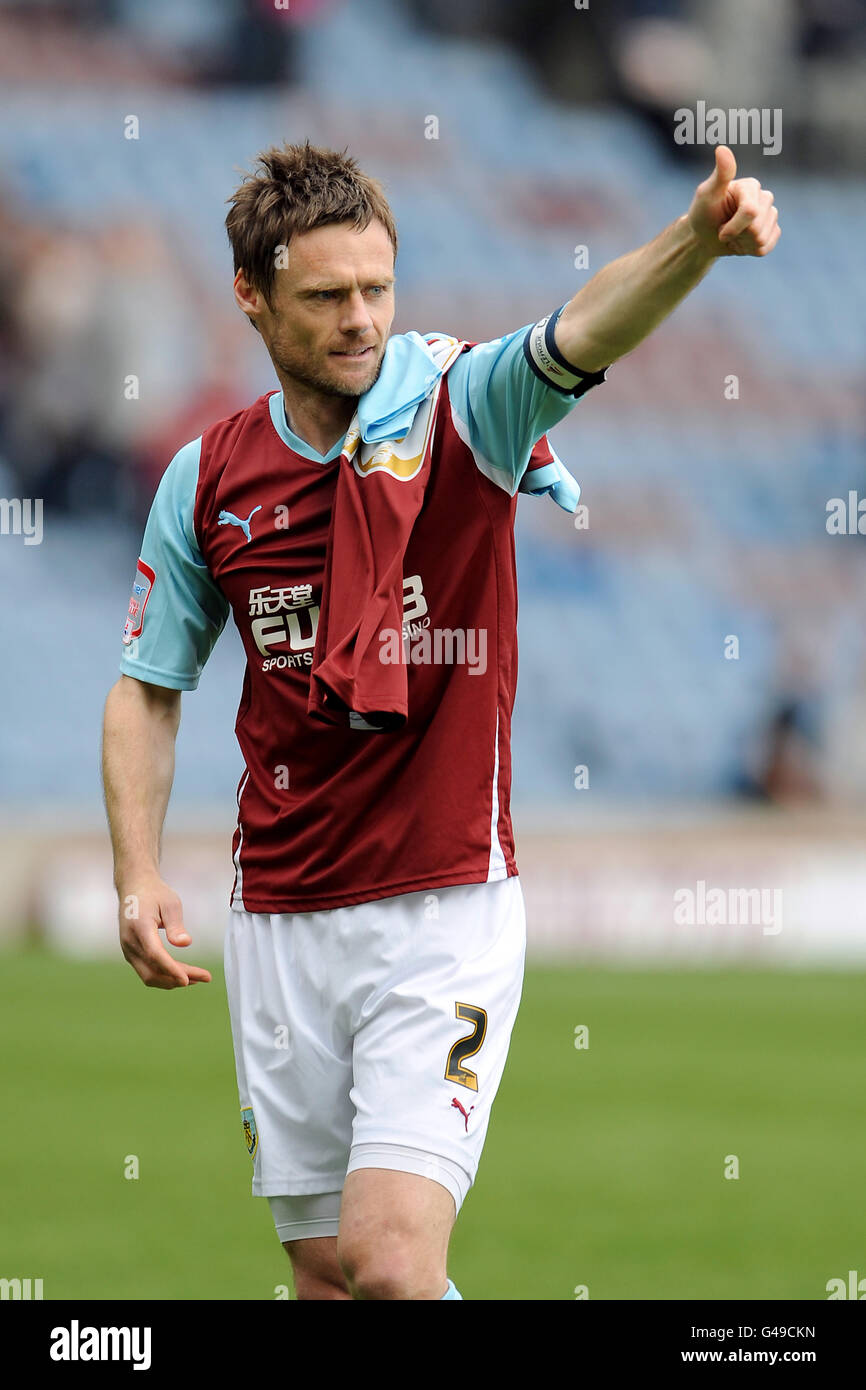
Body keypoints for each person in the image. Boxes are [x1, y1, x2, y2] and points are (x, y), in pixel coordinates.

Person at [101, 139, 780, 1301]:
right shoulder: (209, 477)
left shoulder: (465, 409)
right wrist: (134, 873)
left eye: (376, 288)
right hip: (280, 914)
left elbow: (582, 328)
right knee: (325, 1275)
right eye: (324, 296)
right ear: (250, 298)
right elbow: (148, 684)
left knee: (392, 1263)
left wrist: (692, 242)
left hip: (441, 906)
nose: (361, 319)